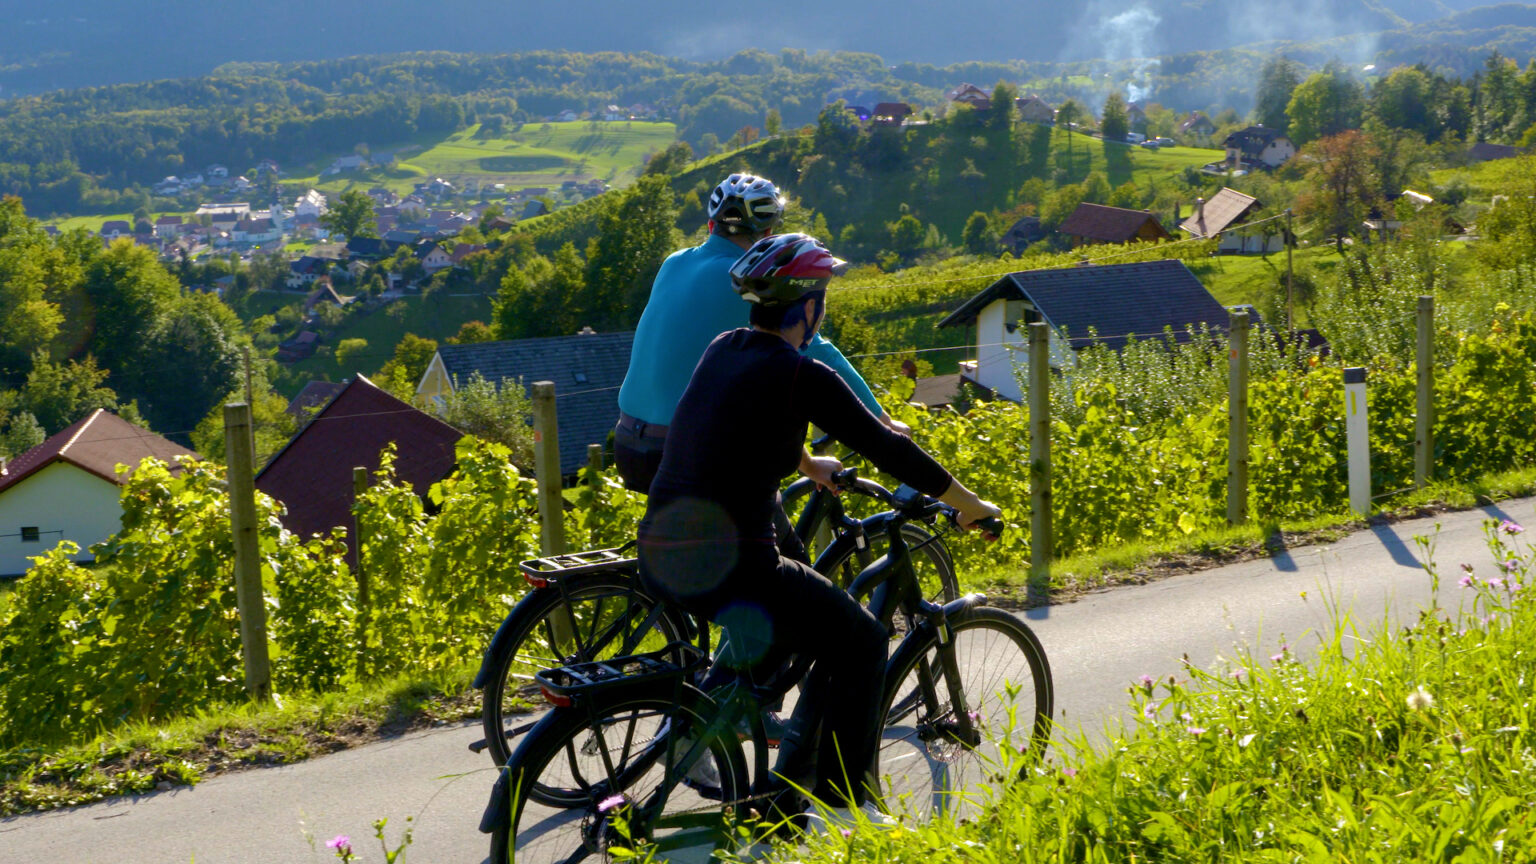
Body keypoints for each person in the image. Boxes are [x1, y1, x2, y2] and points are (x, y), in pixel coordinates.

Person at [636, 233, 1000, 829]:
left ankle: (726, 751)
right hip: (736, 566)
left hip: (659, 551)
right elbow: (889, 449)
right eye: (822, 300)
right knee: (862, 641)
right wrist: (970, 504)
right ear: (807, 308)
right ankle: (844, 805)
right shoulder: (803, 374)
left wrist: (807, 464)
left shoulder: (724, 349)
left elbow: (734, 422)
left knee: (795, 624)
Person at [614, 173, 907, 495]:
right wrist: (884, 423)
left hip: (628, 446)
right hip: (685, 454)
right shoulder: (747, 282)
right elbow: (819, 353)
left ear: (711, 226)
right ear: (768, 235)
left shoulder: (673, 263)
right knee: (762, 523)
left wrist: (810, 466)